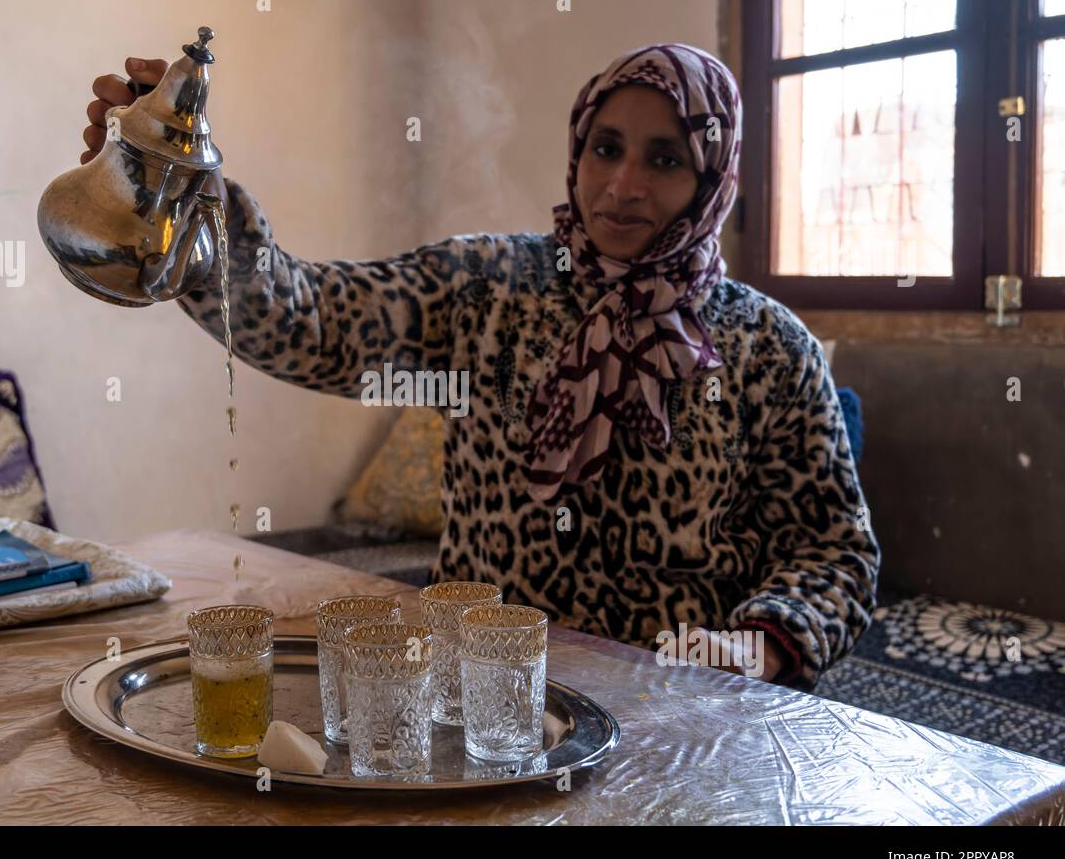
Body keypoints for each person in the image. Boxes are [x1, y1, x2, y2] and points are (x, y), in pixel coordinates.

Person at [81, 45, 881, 691]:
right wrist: (193, 207)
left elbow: (835, 551)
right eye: (606, 149)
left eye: (664, 159)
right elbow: (310, 319)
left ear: (712, 177)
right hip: (485, 699)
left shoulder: (771, 347)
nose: (622, 185)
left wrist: (758, 646)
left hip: (685, 717)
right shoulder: (490, 287)